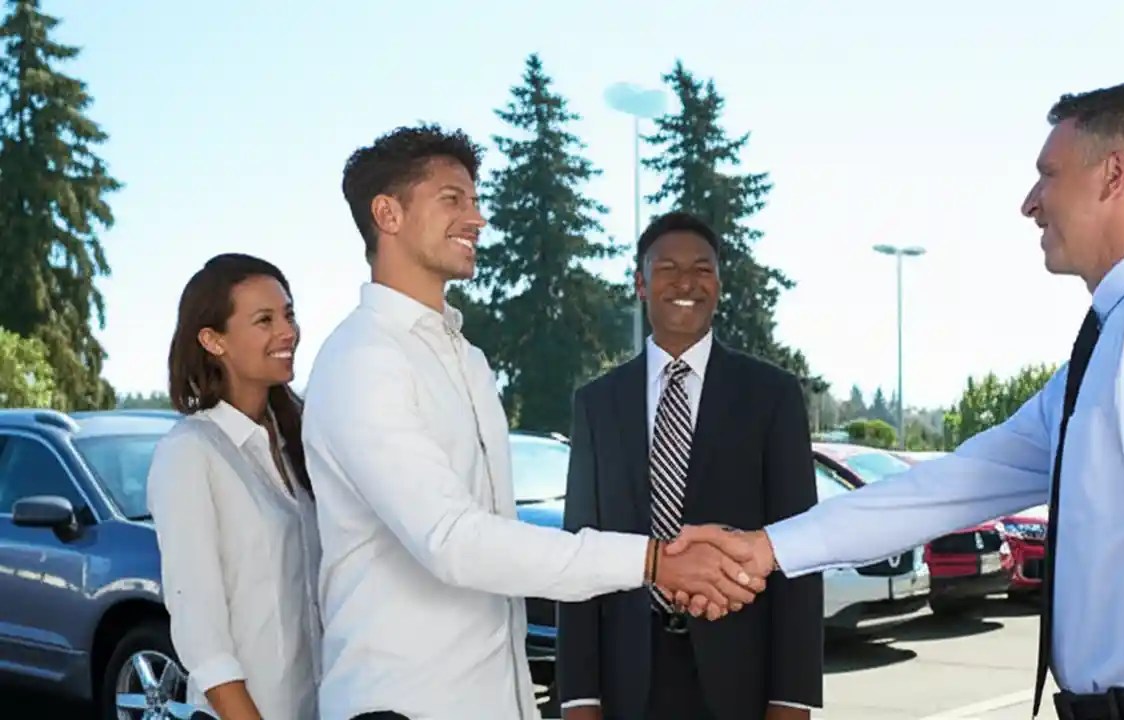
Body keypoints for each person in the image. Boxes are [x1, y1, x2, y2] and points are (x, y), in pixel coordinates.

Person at [672, 83, 1124, 720]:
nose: (1031, 203)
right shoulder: (1120, 338)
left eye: (1048, 174)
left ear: (1114, 174)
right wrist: (769, 547)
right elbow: (952, 485)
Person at [299, 124, 765, 720]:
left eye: (474, 198)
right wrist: (652, 560)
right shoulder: (362, 359)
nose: (477, 217)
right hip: (402, 704)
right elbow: (452, 542)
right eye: (452, 200)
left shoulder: (466, 359)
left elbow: (497, 543)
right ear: (387, 214)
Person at [556, 212, 824, 720]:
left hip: (742, 682)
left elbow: (798, 550)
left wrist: (792, 698)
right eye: (667, 268)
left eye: (703, 269)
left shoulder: (772, 396)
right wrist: (580, 697)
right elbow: (580, 552)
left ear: (719, 285)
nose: (685, 282)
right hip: (626, 682)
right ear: (640, 283)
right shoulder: (597, 405)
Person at [147, 253, 322, 720]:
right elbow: (200, 628)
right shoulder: (190, 452)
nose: (287, 331)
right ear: (212, 340)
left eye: (288, 314)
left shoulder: (299, 444)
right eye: (264, 320)